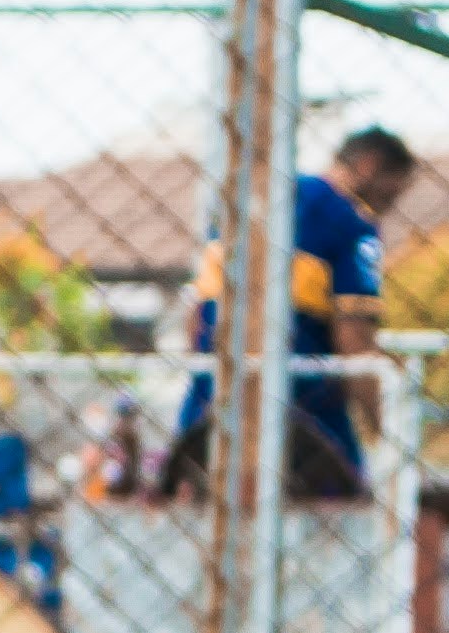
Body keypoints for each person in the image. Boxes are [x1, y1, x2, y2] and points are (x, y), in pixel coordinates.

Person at [160, 126, 413, 501]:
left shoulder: (251, 202)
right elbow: (353, 337)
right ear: (368, 166)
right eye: (393, 191)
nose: (390, 206)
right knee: (341, 517)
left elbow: (196, 313)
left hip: (208, 407)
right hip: (307, 416)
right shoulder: (352, 223)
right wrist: (382, 430)